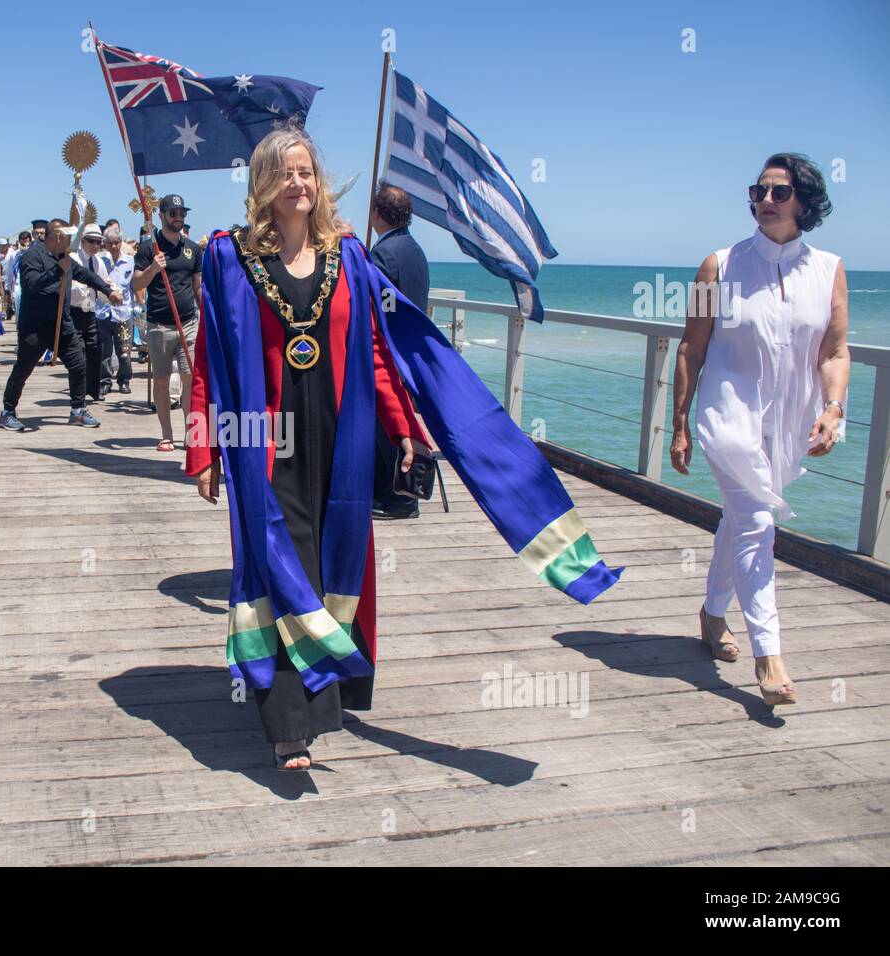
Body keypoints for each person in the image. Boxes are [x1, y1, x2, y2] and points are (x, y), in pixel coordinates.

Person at [185, 127, 621, 770]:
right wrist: (203, 448)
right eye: (283, 173)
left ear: (319, 182)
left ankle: (319, 693)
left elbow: (381, 355)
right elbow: (207, 362)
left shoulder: (350, 256)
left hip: (341, 436)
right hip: (261, 440)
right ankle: (288, 725)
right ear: (262, 185)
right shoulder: (228, 257)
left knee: (331, 563)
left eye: (306, 171)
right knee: (283, 561)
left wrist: (406, 428)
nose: (297, 184)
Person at [670, 153, 848, 707]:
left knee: (743, 520)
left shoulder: (829, 269)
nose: (765, 201)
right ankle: (768, 654)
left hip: (788, 424)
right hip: (726, 415)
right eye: (758, 191)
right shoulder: (717, 265)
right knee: (756, 521)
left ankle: (712, 612)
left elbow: (834, 350)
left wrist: (834, 407)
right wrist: (678, 423)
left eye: (779, 192)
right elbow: (690, 347)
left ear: (804, 201)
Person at [0, 218, 122, 430]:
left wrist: (108, 291)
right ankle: (7, 411)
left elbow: (86, 275)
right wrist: (57, 270)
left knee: (78, 362)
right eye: (70, 237)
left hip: (62, 324)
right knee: (23, 369)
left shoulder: (65, 258)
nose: (72, 241)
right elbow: (32, 284)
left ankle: (78, 409)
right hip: (35, 326)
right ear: (59, 237)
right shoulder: (32, 256)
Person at [368, 184, 430, 520]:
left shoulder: (383, 254)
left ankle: (401, 499)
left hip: (388, 352)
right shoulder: (415, 250)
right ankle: (395, 493)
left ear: (377, 214)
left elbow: (373, 306)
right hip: (410, 351)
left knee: (387, 426)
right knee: (399, 420)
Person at [133, 194, 202, 452]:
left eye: (181, 213)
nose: (178, 217)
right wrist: (153, 268)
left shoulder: (193, 249)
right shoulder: (149, 247)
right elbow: (136, 283)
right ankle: (166, 434)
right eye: (172, 213)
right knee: (161, 381)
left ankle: (191, 434)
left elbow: (197, 287)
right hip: (159, 325)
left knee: (190, 379)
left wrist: (206, 311)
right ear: (161, 216)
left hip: (188, 324)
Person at [70, 223, 108, 403]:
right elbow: (71, 287)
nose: (95, 245)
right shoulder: (74, 259)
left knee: (95, 349)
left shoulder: (98, 261)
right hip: (74, 311)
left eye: (98, 242)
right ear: (83, 241)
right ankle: (79, 391)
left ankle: (94, 389)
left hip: (91, 311)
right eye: (91, 241)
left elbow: (104, 283)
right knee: (79, 353)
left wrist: (111, 292)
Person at [95, 224, 135, 394]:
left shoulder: (130, 261)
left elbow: (136, 285)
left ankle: (124, 380)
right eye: (110, 243)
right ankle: (105, 380)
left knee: (124, 350)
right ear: (104, 244)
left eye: (117, 242)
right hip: (103, 311)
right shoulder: (99, 261)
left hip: (123, 312)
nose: (114, 246)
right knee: (105, 350)